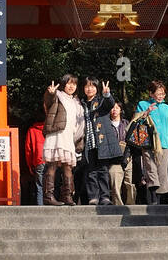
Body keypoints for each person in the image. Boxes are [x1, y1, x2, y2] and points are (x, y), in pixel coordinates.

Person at [42, 75, 84, 206]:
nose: (71, 86)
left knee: (68, 167)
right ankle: (48, 196)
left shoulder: (77, 102)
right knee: (53, 164)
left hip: (69, 137)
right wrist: (51, 93)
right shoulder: (57, 97)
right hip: (57, 134)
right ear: (63, 84)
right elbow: (49, 101)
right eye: (69, 83)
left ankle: (67, 196)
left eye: (74, 84)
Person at [137, 80, 168, 204]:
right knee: (151, 170)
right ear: (151, 94)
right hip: (148, 143)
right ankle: (153, 199)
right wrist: (146, 112)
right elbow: (136, 122)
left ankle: (161, 200)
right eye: (158, 93)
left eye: (163, 94)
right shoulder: (142, 104)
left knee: (162, 172)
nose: (161, 96)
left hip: (164, 144)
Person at [79, 77, 116, 204]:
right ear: (83, 88)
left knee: (103, 170)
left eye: (92, 86)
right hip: (88, 143)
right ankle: (93, 197)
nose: (89, 89)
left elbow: (109, 104)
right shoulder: (81, 103)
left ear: (97, 88)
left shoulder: (101, 101)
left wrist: (107, 94)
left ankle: (105, 196)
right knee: (90, 171)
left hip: (101, 142)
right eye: (87, 86)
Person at [99, 100, 127, 205]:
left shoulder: (126, 124)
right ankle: (118, 206)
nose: (114, 110)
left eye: (117, 108)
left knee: (130, 184)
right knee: (114, 180)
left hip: (127, 156)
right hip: (113, 159)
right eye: (112, 108)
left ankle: (132, 206)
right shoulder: (106, 124)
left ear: (120, 110)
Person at [24, 118, 46, 206]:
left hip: (38, 160)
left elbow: (28, 149)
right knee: (52, 186)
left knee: (39, 187)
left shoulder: (32, 130)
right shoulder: (50, 128)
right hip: (51, 159)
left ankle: (40, 208)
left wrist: (30, 165)